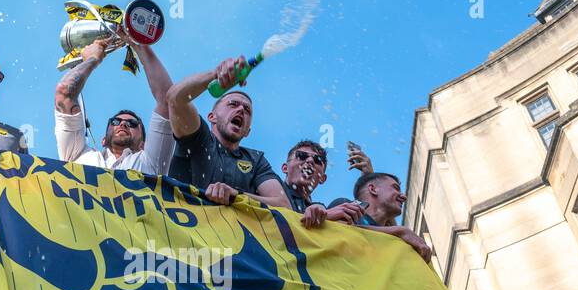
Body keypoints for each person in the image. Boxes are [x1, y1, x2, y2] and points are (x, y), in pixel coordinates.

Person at [166, 56, 290, 208]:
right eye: (233, 104)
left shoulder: (256, 160)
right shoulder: (199, 137)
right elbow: (174, 99)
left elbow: (283, 206)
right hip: (181, 226)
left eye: (247, 110)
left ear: (247, 132)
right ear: (212, 117)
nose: (240, 110)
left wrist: (236, 195)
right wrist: (215, 75)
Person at [53, 35, 176, 173]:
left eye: (132, 123)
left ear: (143, 145)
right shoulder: (77, 155)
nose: (122, 124)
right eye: (115, 121)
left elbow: (168, 100)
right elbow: (64, 93)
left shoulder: (150, 162)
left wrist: (139, 45)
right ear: (103, 140)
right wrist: (93, 59)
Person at [346, 171, 433, 263]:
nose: (404, 197)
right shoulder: (344, 206)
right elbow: (342, 228)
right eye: (396, 188)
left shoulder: (396, 238)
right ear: (373, 189)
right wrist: (400, 231)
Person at [279, 139, 365, 229]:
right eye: (302, 155)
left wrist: (368, 176)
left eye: (317, 160)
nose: (310, 160)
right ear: (285, 168)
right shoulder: (268, 188)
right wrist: (327, 215)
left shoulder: (318, 208)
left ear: (322, 178)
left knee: (342, 204)